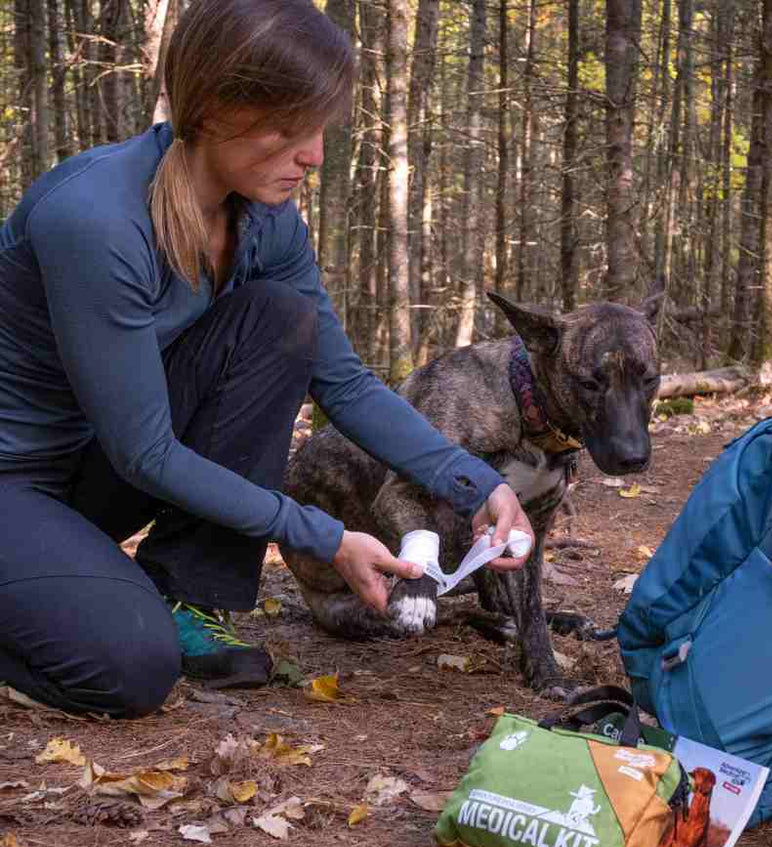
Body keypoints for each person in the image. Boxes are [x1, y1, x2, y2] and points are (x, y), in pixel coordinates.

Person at [0, 0, 533, 718]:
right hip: (18, 483)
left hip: (89, 471)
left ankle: (187, 597)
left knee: (283, 320)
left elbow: (342, 382)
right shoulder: (95, 220)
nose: (313, 154)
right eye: (289, 128)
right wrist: (324, 536)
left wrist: (479, 487)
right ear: (215, 107)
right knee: (128, 668)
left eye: (319, 127)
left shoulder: (265, 219)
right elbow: (147, 453)